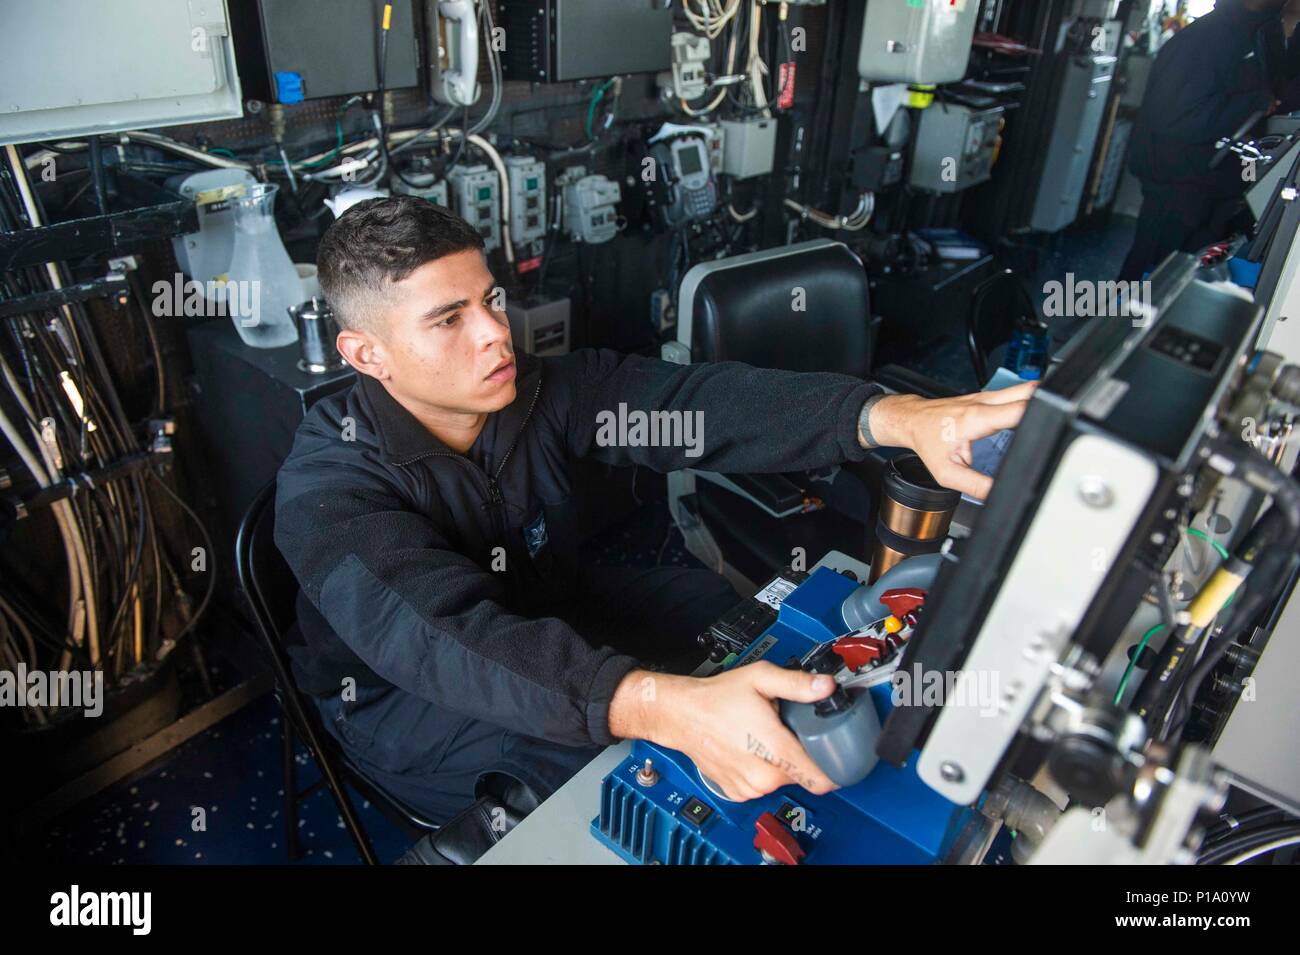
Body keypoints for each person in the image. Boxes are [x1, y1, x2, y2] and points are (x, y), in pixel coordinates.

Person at [274, 196, 1033, 822]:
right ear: (366, 355)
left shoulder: (534, 390)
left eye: (491, 299)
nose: (496, 333)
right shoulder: (328, 491)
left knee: (745, 629)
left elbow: (693, 405)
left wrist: (894, 418)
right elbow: (448, 640)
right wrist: (656, 705)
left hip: (554, 599)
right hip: (413, 700)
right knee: (614, 768)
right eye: (449, 319)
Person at [1120, 0, 1296, 282]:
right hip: (1179, 187)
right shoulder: (1211, 37)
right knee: (1153, 279)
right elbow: (1173, 117)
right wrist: (1254, 104)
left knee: (1184, 280)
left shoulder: (1259, 32)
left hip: (1215, 188)